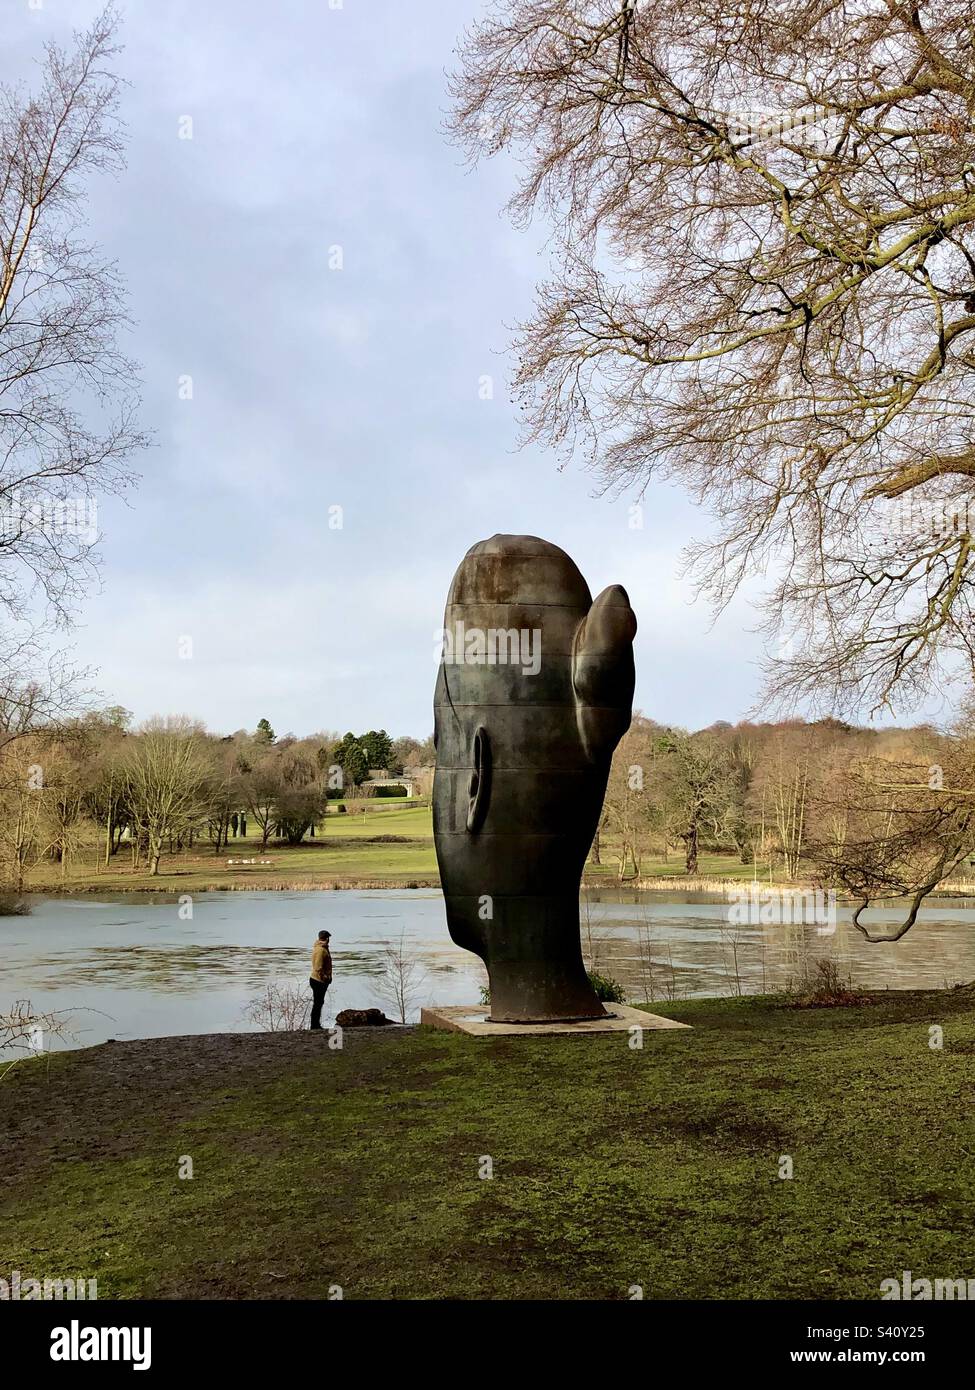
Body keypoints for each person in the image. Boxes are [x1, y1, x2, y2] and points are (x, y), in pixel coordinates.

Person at [309, 930, 332, 1030]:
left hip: (317, 979)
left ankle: (316, 1024)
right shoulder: (321, 950)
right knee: (317, 1003)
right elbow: (318, 967)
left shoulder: (319, 948)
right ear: (326, 938)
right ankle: (314, 1025)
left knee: (319, 1002)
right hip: (318, 980)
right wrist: (325, 978)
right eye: (328, 938)